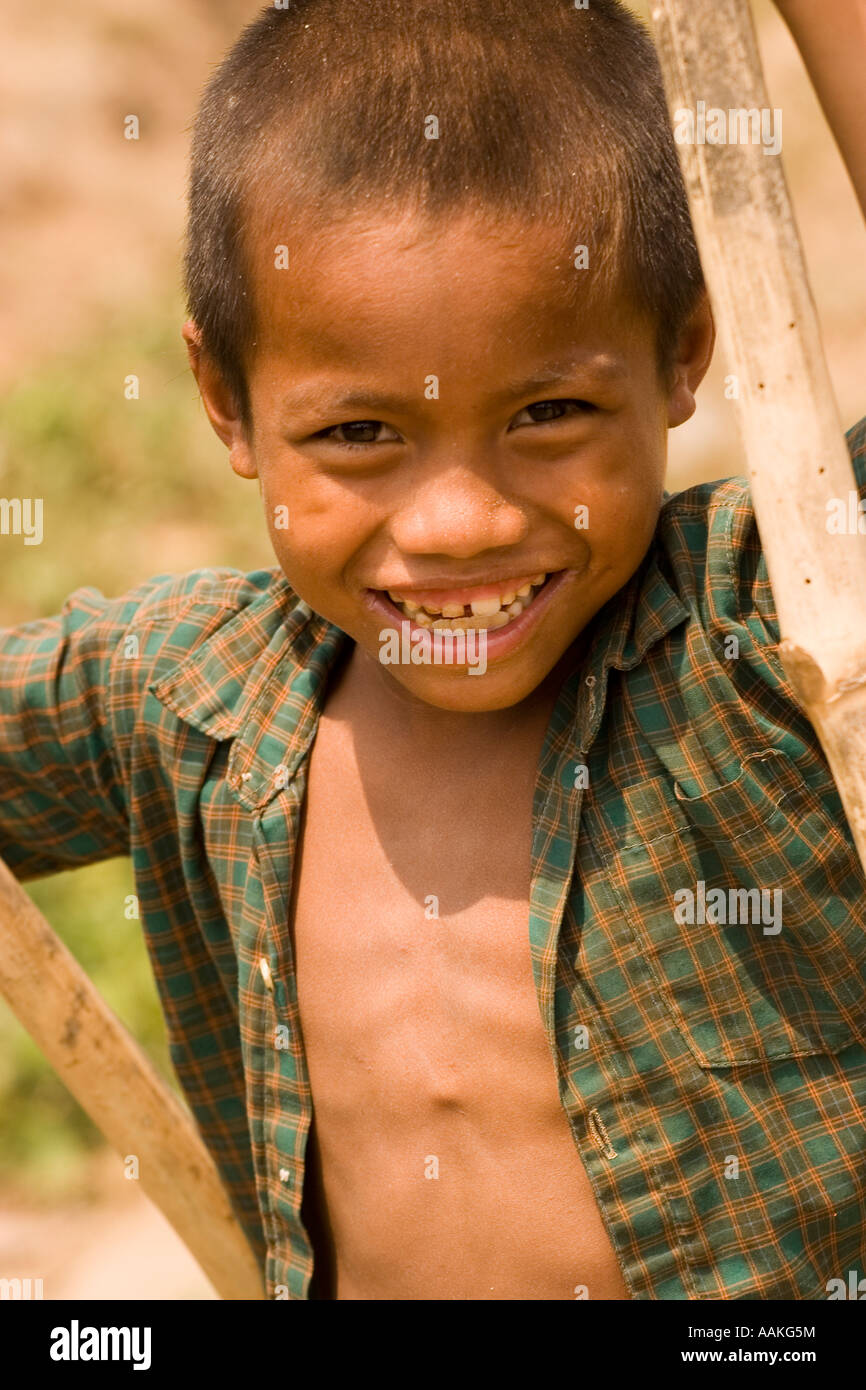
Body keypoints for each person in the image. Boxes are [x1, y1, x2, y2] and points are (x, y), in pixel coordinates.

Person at [1, 0, 864, 1300]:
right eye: (358, 435)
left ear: (681, 351)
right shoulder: (187, 699)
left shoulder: (773, 627)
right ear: (226, 402)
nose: (460, 522)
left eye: (550, 412)